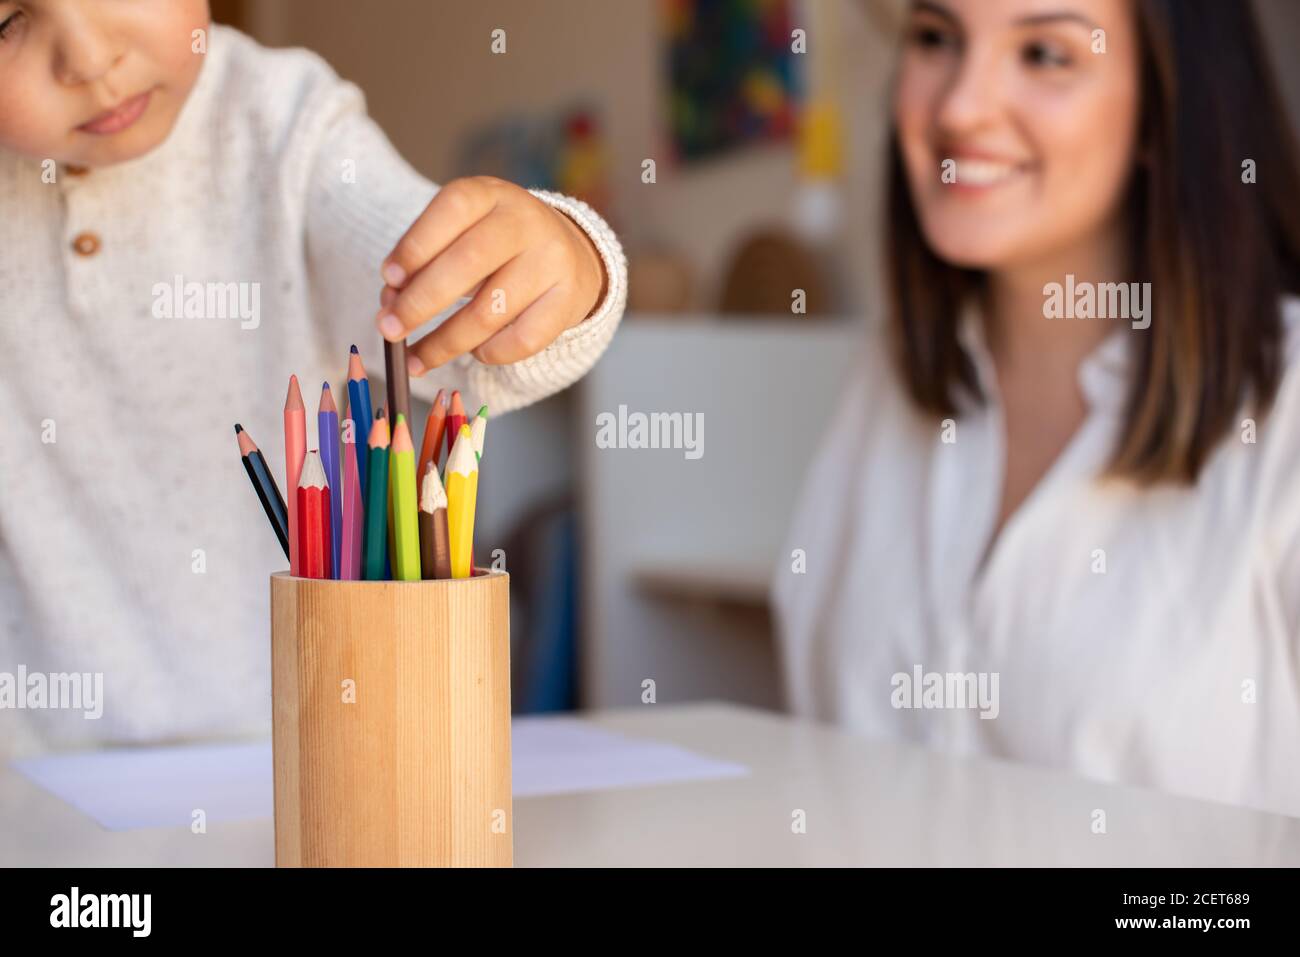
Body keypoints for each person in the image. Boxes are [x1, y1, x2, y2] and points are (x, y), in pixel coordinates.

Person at [0, 1, 626, 755]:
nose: (89, 59)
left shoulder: (286, 122)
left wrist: (564, 265)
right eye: (4, 24)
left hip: (310, 756)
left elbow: (459, 333)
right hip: (30, 782)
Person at [774, 0, 1300, 817]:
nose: (959, 107)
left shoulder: (1287, 404)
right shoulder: (881, 380)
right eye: (936, 38)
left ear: (1167, 111)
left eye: (1046, 54)